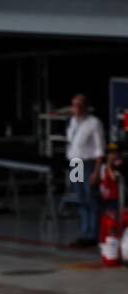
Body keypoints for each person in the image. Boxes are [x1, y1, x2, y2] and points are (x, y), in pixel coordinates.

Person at [67, 93, 105, 248]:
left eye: (79, 105)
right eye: (74, 104)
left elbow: (99, 149)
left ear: (85, 107)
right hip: (76, 163)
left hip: (88, 163)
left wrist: (96, 172)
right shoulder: (73, 122)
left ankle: (93, 234)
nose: (75, 108)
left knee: (91, 197)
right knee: (81, 197)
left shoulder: (94, 123)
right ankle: (85, 231)